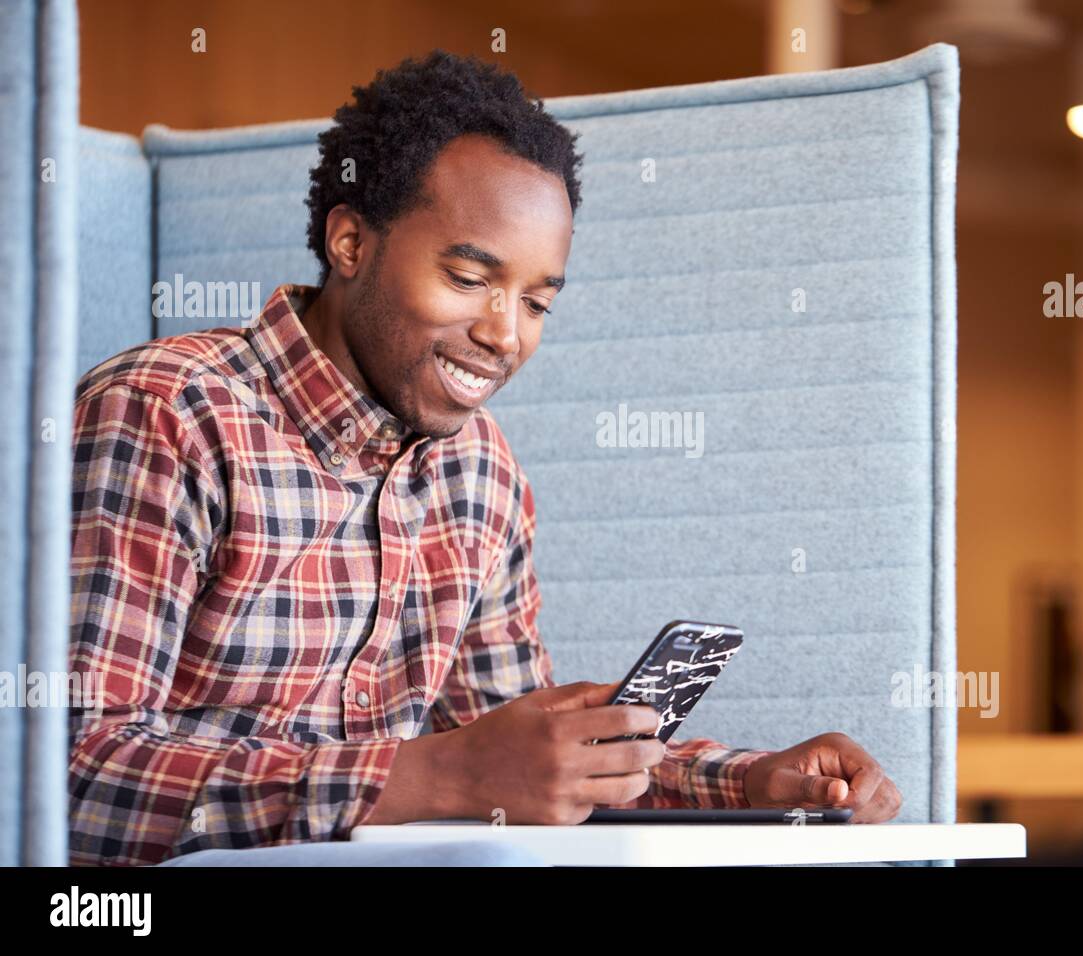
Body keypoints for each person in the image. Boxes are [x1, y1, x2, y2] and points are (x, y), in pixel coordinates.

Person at [68, 50, 901, 867]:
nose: (506, 335)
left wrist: (749, 783)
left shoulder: (481, 472)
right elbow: (70, 774)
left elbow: (525, 761)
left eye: (536, 302)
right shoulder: (167, 414)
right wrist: (436, 775)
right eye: (469, 278)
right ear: (351, 242)